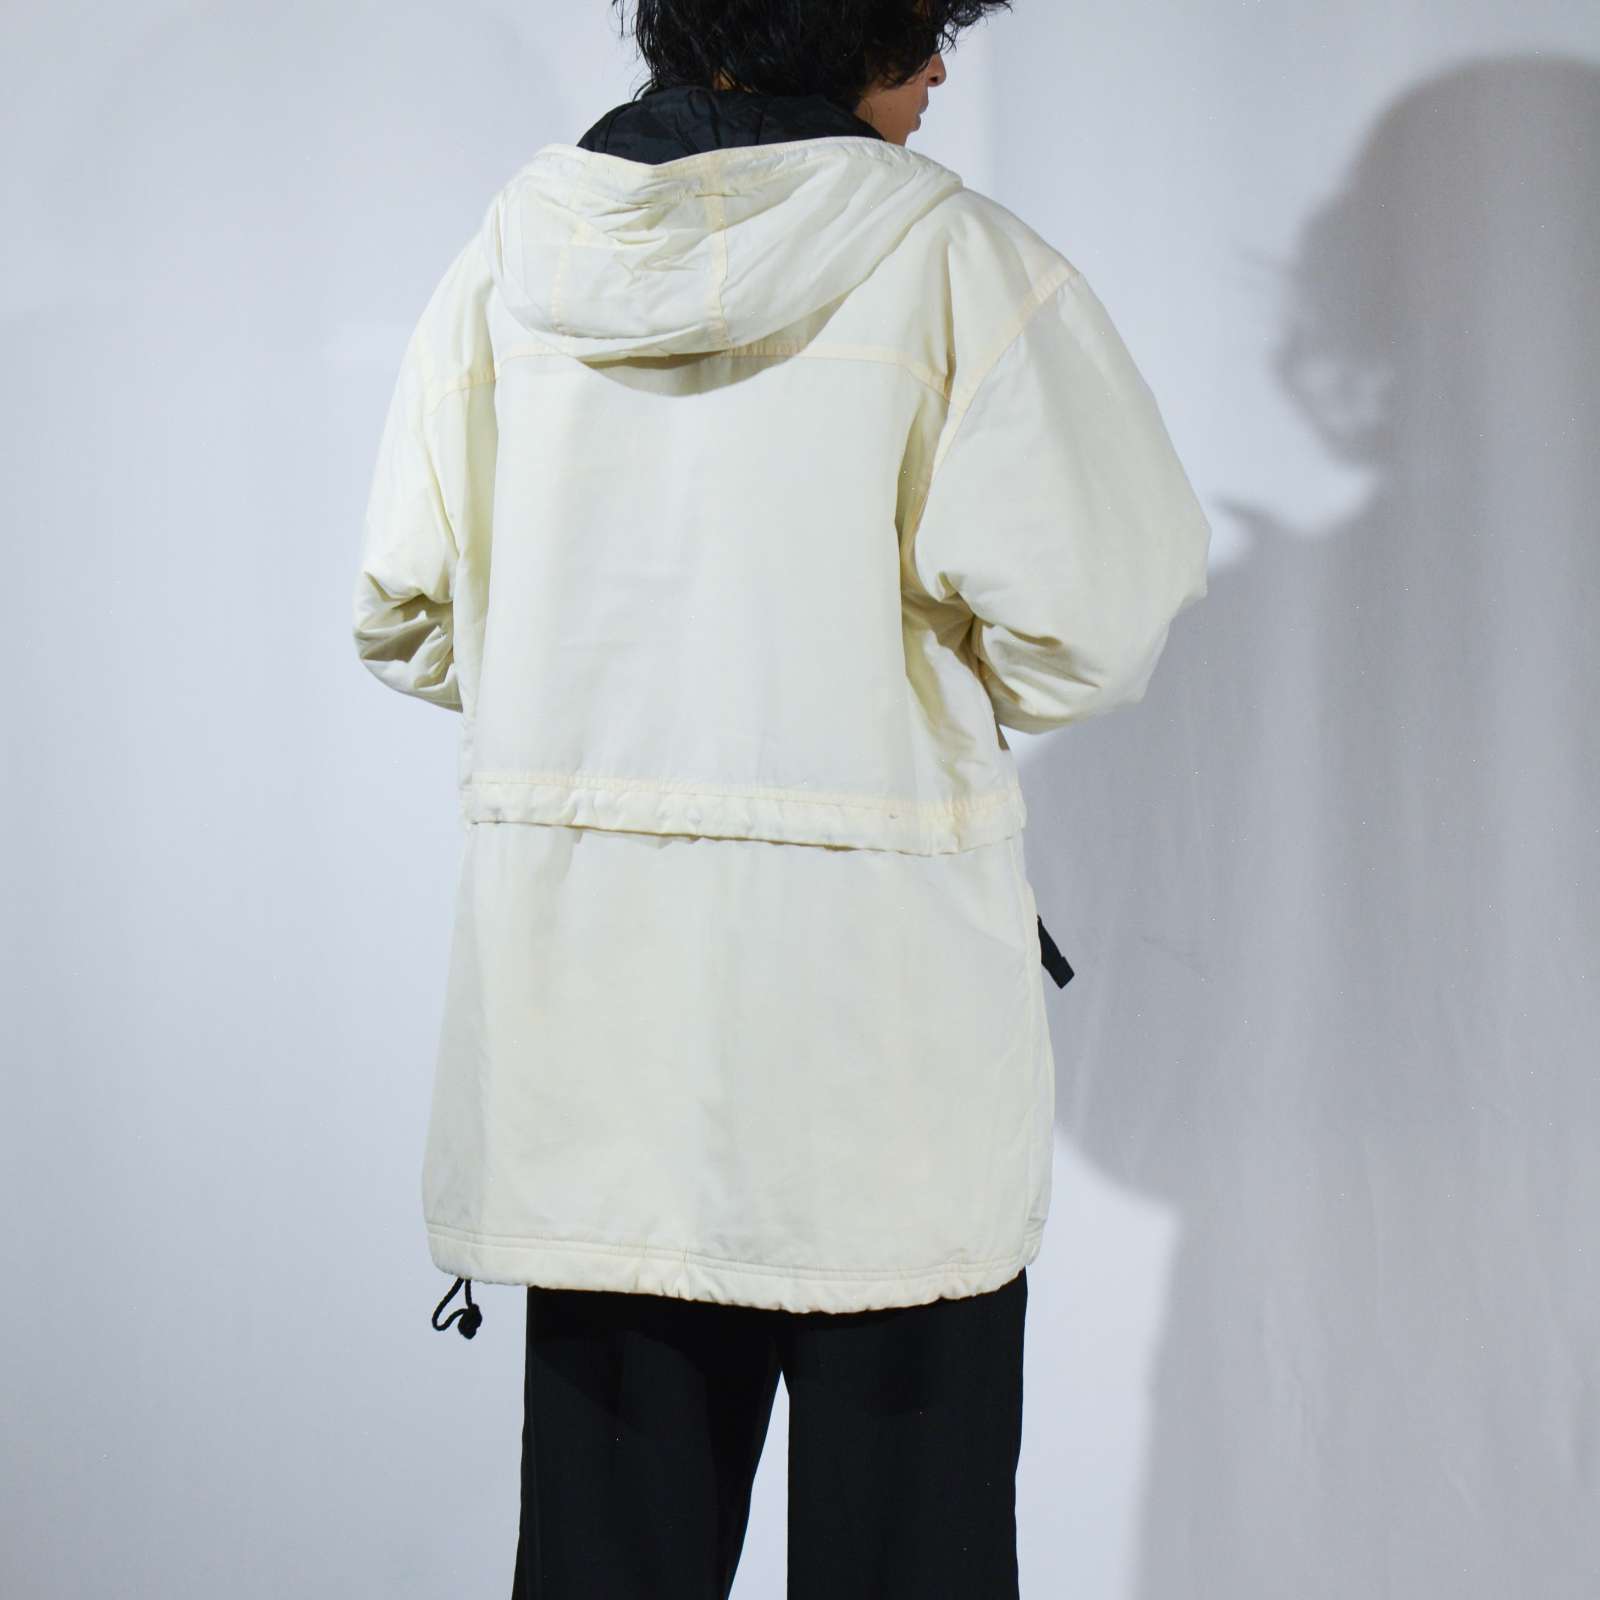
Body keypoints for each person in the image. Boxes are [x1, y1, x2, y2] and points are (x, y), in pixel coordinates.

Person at [352, 2, 1211, 1593]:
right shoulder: (955, 263)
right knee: (911, 1561)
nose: (941, 68)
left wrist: (593, 694)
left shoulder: (513, 263)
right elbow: (1099, 617)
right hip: (882, 1061)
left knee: (611, 1565)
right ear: (852, 22)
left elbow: (406, 609)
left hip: (593, 1050)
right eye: (926, 26)